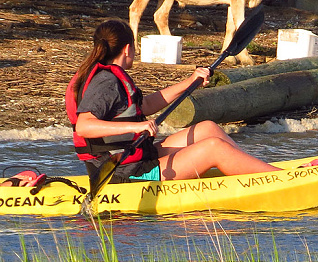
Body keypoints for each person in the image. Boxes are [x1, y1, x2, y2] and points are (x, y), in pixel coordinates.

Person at [65, 19, 282, 183]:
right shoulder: (106, 82)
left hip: (138, 157)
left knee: (208, 129)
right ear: (128, 49)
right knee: (214, 148)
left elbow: (146, 106)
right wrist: (137, 126)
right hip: (124, 172)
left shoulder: (111, 77)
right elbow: (84, 126)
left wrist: (190, 82)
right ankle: (278, 180)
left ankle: (255, 173)